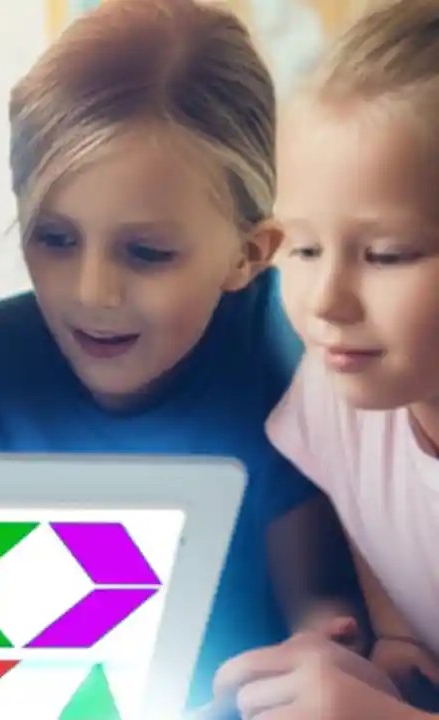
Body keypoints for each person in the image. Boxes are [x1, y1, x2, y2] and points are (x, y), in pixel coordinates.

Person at [0, 0, 359, 708]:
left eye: (146, 252)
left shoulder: (276, 358)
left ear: (248, 254)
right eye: (53, 239)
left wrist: (315, 662)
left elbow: (320, 616)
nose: (92, 292)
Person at [206, 2, 439, 717]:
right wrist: (385, 661)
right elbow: (401, 615)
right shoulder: (334, 393)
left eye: (387, 254)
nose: (326, 300)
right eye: (302, 250)